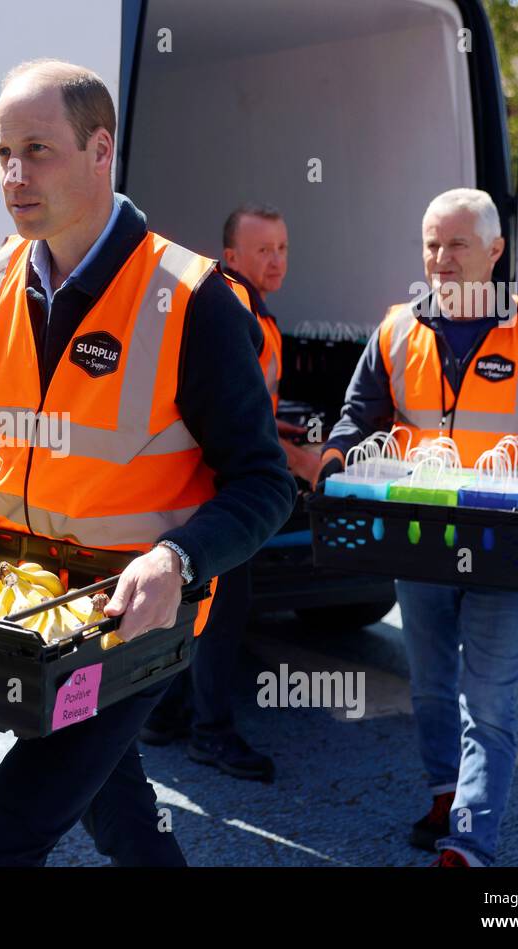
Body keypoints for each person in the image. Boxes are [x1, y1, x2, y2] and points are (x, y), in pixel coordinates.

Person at [0, 59, 296, 866]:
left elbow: (264, 483)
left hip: (130, 622)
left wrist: (177, 558)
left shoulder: (193, 298)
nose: (13, 174)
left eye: (36, 150)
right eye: (3, 153)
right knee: (118, 813)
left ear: (101, 148)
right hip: (29, 609)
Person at [314, 187, 518, 866]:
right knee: (429, 684)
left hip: (510, 542)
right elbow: (357, 413)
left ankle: (470, 842)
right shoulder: (397, 329)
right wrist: (335, 458)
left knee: (488, 696)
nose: (440, 259)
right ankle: (443, 791)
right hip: (419, 536)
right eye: (431, 243)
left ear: (495, 250)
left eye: (456, 244)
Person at [140, 204, 316, 779]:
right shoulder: (234, 309)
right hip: (221, 497)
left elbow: (246, 410)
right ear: (232, 257)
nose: (277, 259)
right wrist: (306, 463)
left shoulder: (259, 316)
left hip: (214, 494)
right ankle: (210, 734)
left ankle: (164, 716)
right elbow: (242, 433)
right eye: (263, 249)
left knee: (198, 612)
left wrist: (281, 429)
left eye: (284, 248)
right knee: (219, 615)